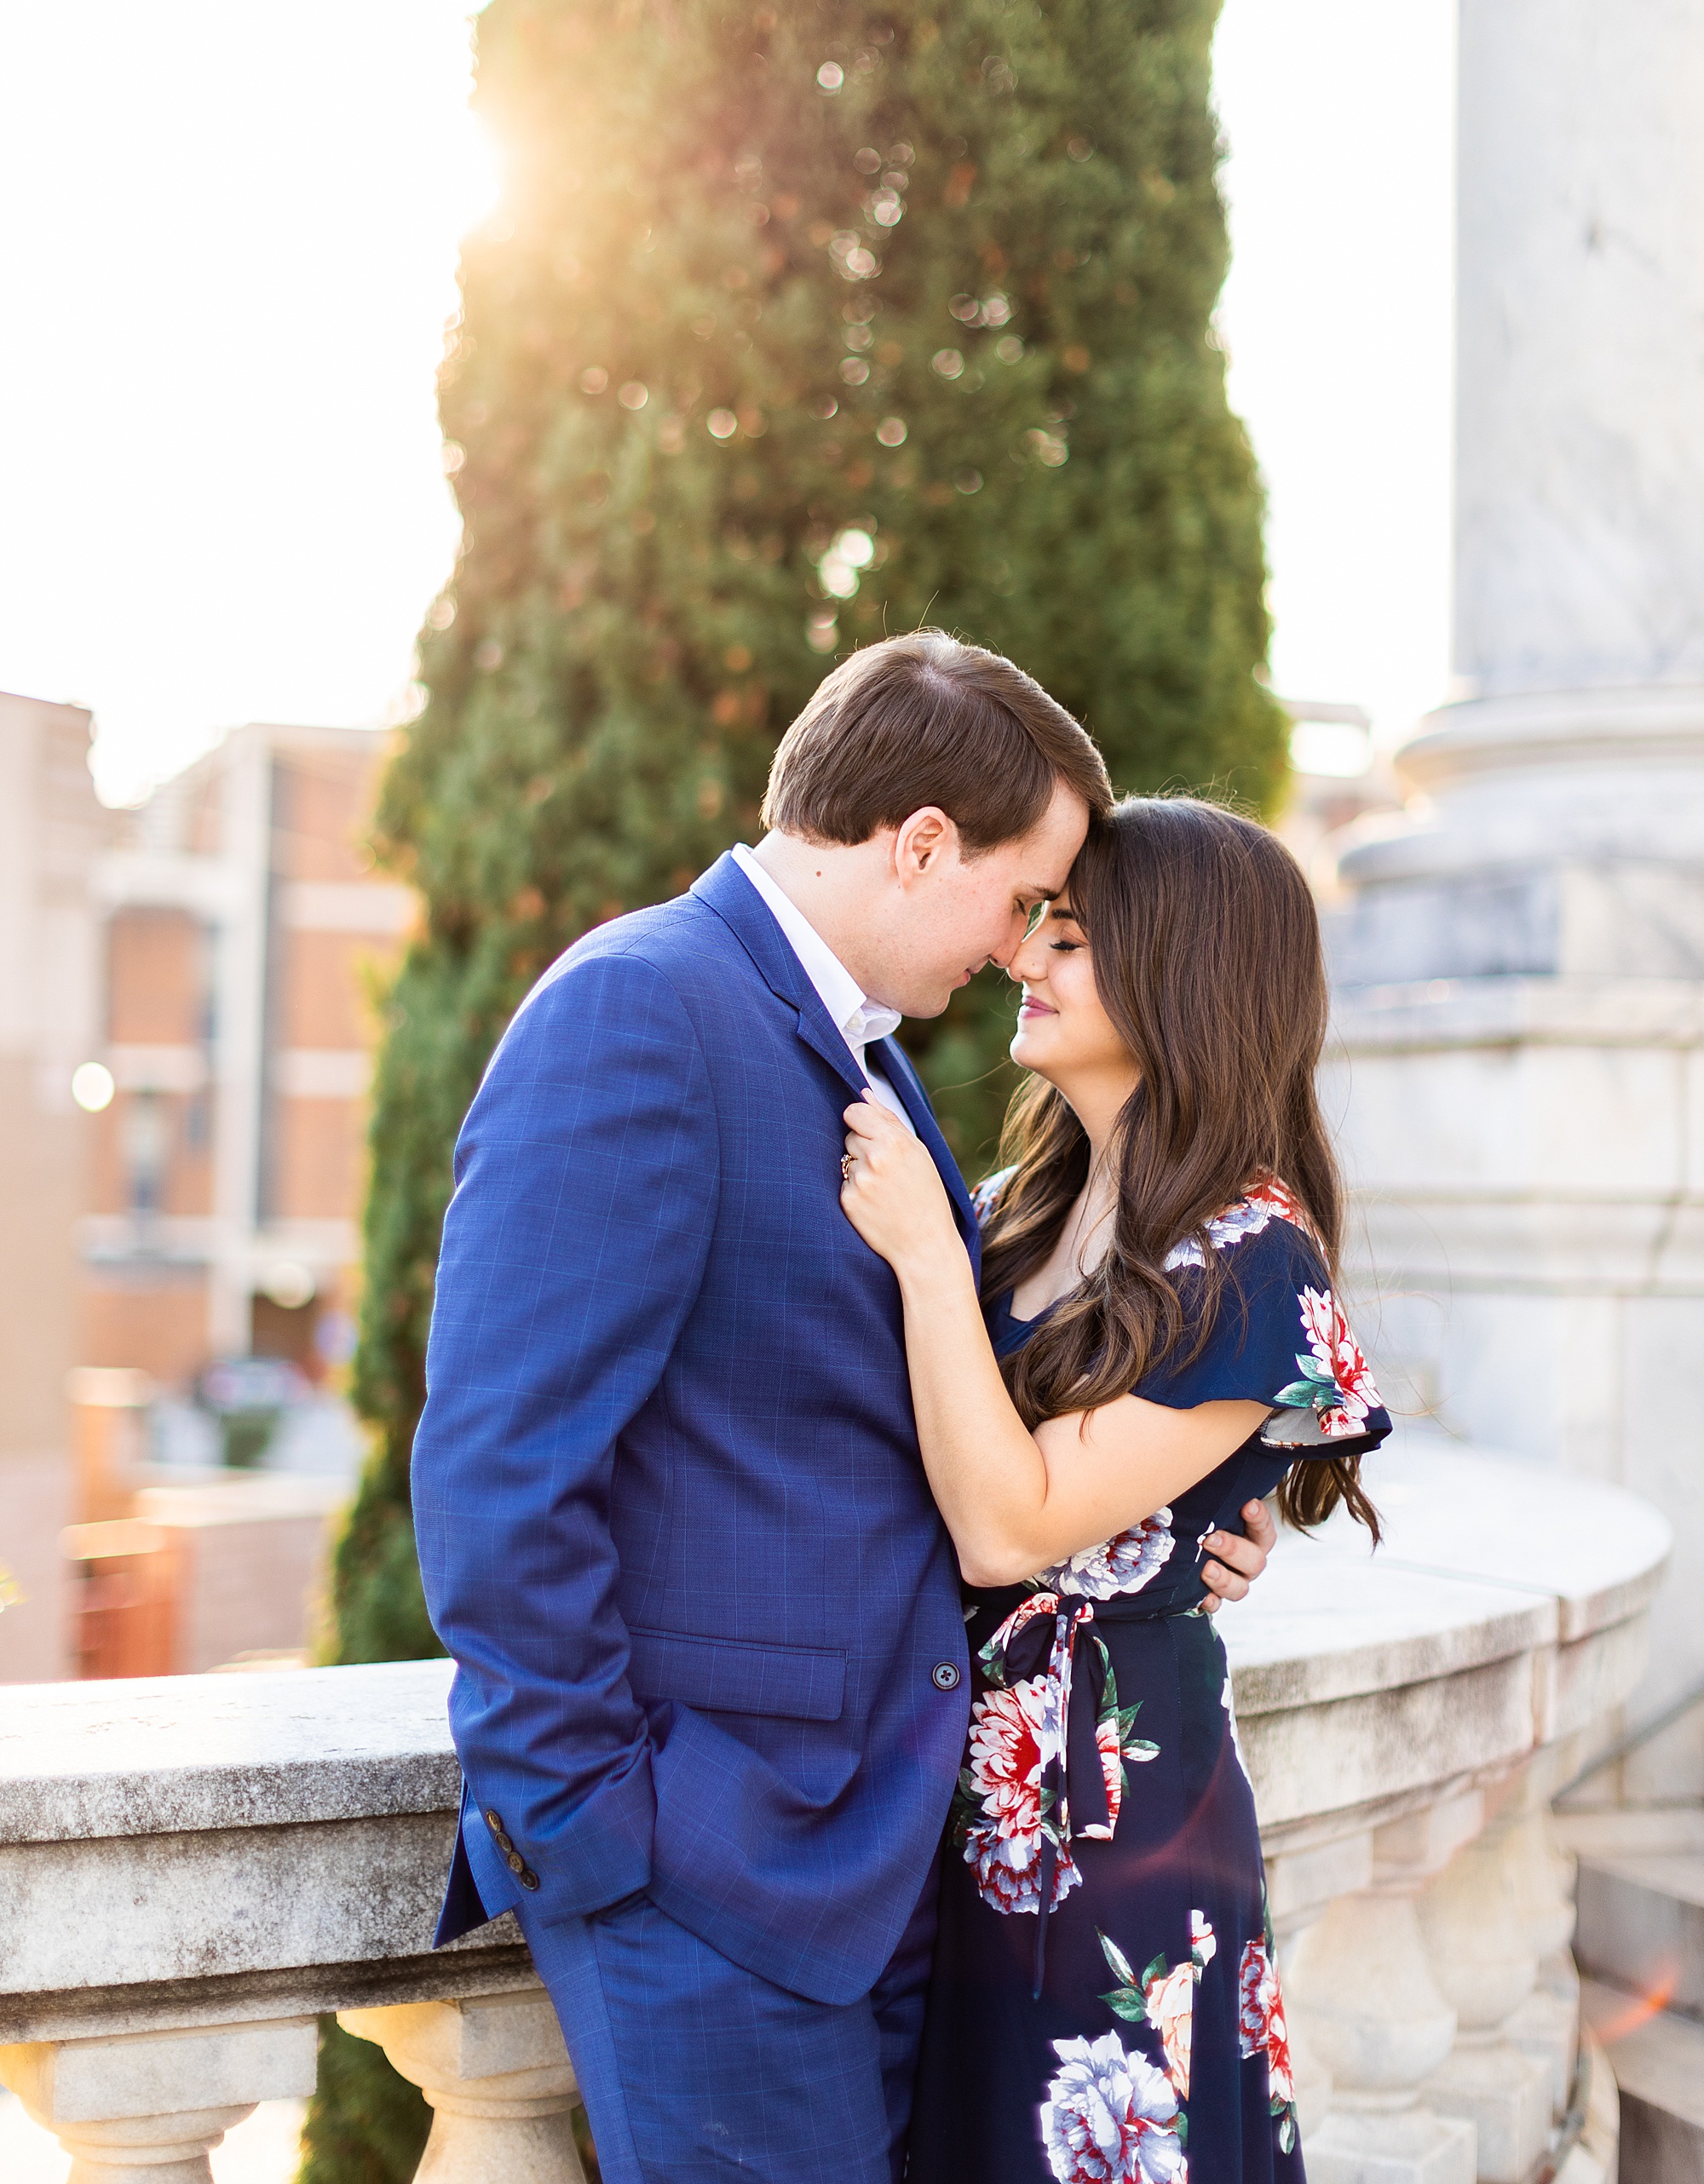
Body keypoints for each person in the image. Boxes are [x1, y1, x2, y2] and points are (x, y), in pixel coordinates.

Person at [410, 634, 1276, 2184]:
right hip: (709, 1879)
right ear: (919, 841)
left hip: (874, 1872)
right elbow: (499, 1470)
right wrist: (604, 1843)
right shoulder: (641, 1011)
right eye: (1024, 901)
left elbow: (973, 1404)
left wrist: (1189, 1511)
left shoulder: (861, 1057)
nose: (1022, 950)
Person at [839, 795, 1390, 2183]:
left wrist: (916, 1252)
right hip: (935, 1798)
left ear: (1178, 975)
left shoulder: (1255, 1255)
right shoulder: (1024, 1202)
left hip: (1112, 1844)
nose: (1025, 961)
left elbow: (1005, 1520)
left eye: (1070, 939)